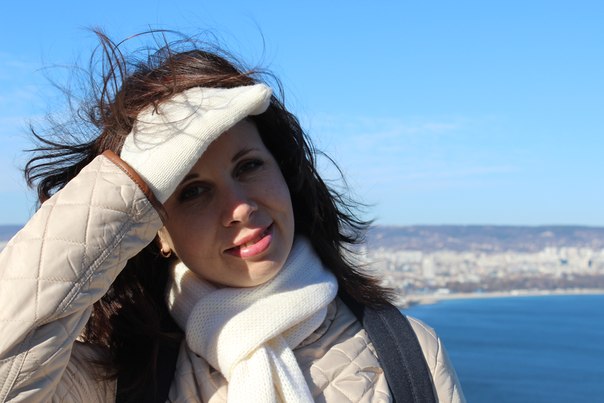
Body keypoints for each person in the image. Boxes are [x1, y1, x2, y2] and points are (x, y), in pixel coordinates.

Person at [0, 30, 465, 402]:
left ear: (285, 172)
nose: (240, 206)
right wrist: (128, 185)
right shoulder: (114, 376)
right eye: (193, 192)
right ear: (154, 230)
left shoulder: (408, 353)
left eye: (249, 166)